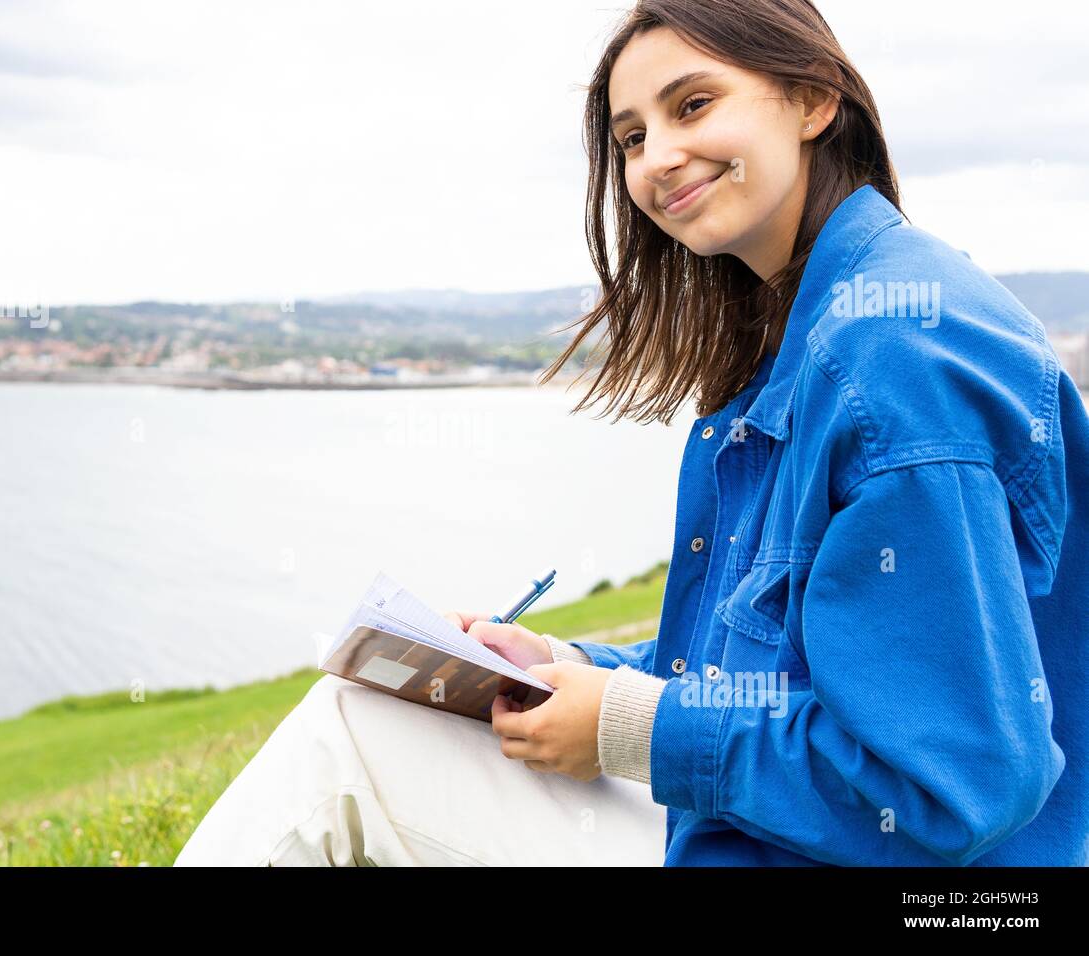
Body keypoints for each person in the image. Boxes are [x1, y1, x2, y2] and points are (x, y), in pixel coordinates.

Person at [175, 0, 1088, 866]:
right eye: (633, 138)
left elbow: (957, 787)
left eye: (694, 105)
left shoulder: (891, 359)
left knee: (350, 739)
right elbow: (801, 656)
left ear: (814, 99)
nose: (659, 158)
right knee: (371, 718)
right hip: (787, 838)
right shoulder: (833, 321)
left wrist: (629, 725)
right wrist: (568, 668)